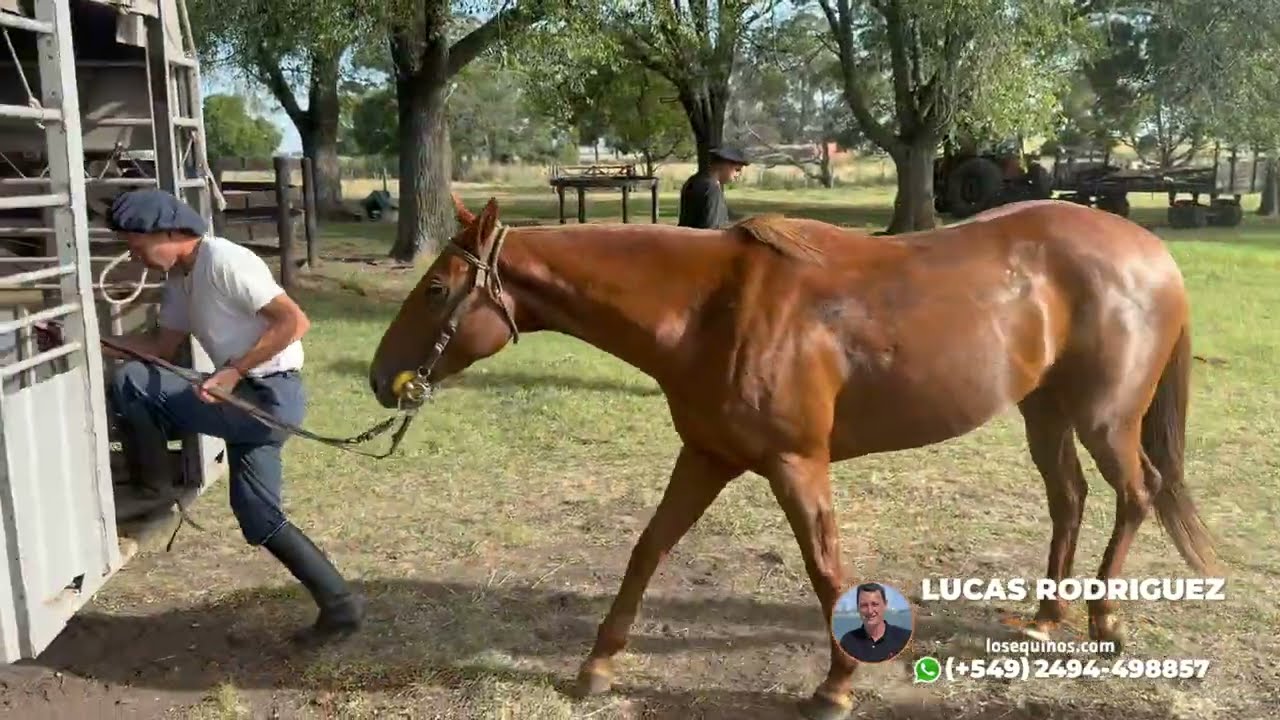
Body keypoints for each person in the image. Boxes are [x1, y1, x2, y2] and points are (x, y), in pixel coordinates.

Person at [102, 188, 365, 646]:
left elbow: (294, 321)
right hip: (245, 397)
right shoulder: (180, 278)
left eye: (137, 246)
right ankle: (341, 607)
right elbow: (160, 348)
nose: (134, 256)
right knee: (257, 517)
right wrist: (94, 342)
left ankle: (154, 490)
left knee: (132, 383)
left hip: (266, 398)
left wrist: (232, 371)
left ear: (170, 233)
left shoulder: (224, 260)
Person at [677, 147, 750, 229]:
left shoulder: (694, 180)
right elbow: (712, 227)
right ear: (723, 165)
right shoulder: (711, 188)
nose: (738, 175)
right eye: (737, 170)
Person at [837, 582, 912, 663]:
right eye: (864, 605)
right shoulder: (848, 642)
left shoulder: (905, 638)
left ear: (885, 604)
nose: (870, 611)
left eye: (875, 604)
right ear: (858, 608)